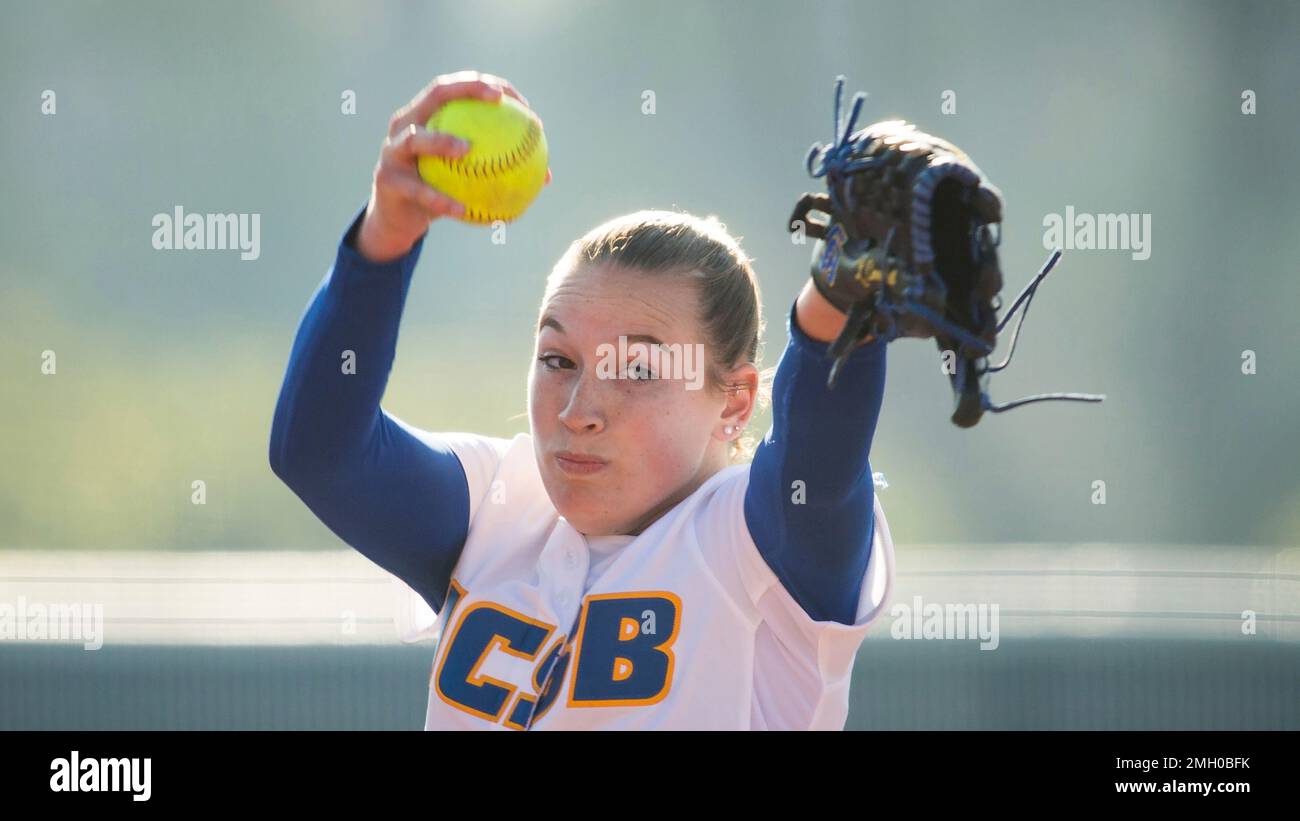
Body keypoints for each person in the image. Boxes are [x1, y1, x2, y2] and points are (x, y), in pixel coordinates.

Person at [269, 70, 893, 730]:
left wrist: (840, 296)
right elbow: (320, 454)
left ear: (736, 402)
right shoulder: (496, 509)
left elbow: (818, 463)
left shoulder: (757, 542)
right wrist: (383, 240)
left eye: (637, 368)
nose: (578, 409)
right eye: (559, 360)